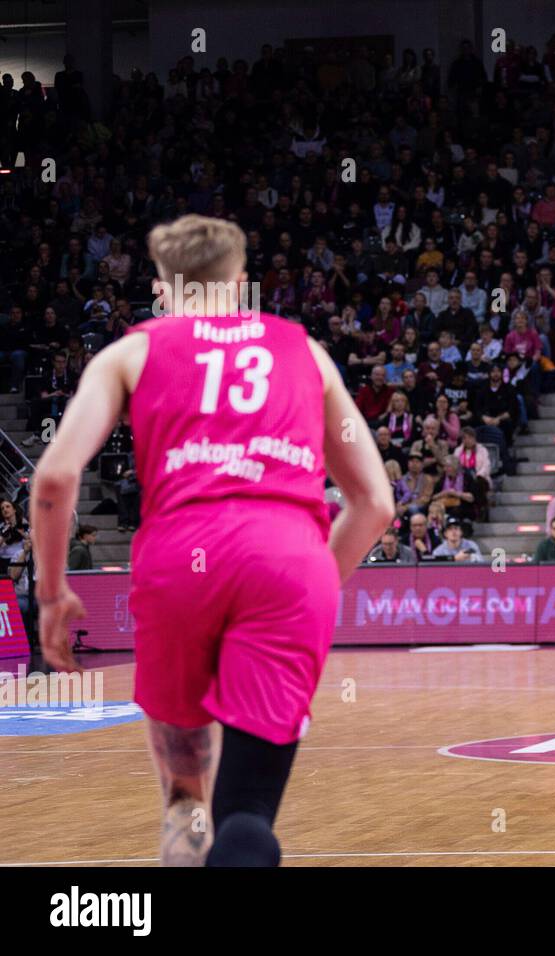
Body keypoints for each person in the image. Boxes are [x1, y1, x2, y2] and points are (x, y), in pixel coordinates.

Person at [31, 215, 394, 868]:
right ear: (241, 282)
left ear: (164, 291)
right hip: (288, 559)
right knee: (247, 812)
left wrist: (53, 595)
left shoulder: (131, 351)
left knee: (185, 796)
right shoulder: (305, 351)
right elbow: (375, 503)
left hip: (181, 560)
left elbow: (56, 475)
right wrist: (310, 580)